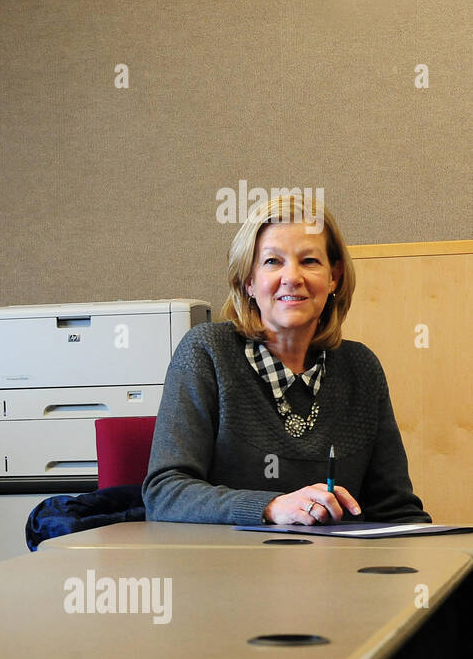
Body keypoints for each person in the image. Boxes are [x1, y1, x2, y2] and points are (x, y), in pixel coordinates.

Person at [143, 194, 429, 525]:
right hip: (229, 569)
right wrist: (271, 506)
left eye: (309, 261)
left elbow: (395, 508)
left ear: (334, 277)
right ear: (248, 280)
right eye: (272, 262)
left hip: (340, 571)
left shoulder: (361, 367)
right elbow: (165, 494)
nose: (292, 277)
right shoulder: (207, 352)